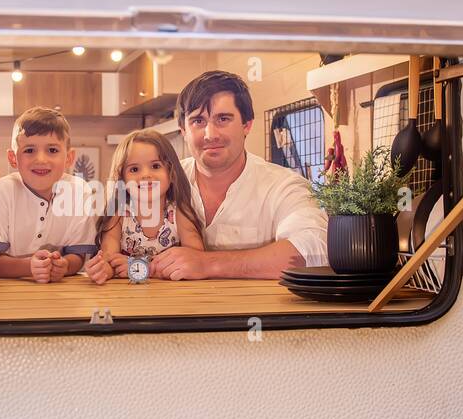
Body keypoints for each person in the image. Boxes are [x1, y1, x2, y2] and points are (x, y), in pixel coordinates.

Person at [149, 70, 328, 281]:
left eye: (223, 119)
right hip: (172, 311)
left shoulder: (283, 186)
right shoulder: (159, 184)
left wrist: (207, 264)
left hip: (260, 312)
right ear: (183, 130)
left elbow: (314, 250)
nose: (210, 134)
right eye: (198, 121)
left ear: (247, 125)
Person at [0, 106, 99, 282]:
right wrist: (29, 267)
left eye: (52, 150)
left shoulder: (80, 191)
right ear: (13, 158)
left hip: (61, 294)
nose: (40, 159)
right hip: (8, 293)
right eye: (29, 150)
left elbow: (77, 256)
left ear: (69, 158)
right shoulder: (3, 191)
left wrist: (64, 266)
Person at [84, 129, 204, 283]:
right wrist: (103, 269)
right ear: (122, 179)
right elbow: (109, 258)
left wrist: (141, 267)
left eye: (155, 166)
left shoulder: (179, 212)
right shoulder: (119, 215)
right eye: (134, 169)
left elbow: (196, 259)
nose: (146, 175)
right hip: (126, 299)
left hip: (171, 297)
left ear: (171, 173)